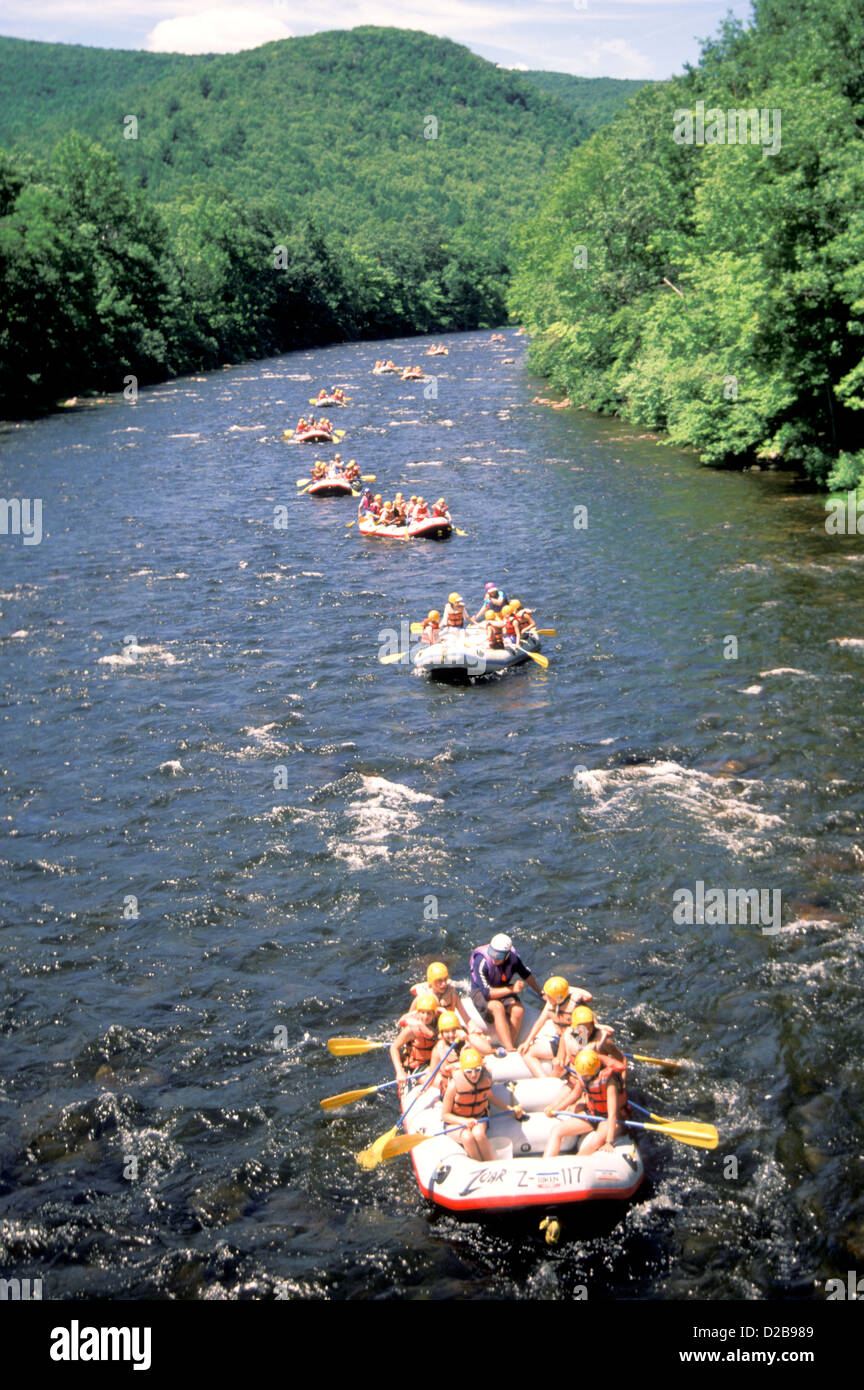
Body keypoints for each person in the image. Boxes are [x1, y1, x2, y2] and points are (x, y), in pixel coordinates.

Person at [543, 1048, 629, 1158]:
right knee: (557, 1131)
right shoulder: (584, 1075)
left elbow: (612, 1113)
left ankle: (573, 1165)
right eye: (582, 1075)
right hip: (593, 1114)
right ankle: (545, 1164)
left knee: (596, 1141)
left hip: (609, 1119)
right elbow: (574, 1095)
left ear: (596, 1070)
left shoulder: (609, 1081)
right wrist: (556, 1110)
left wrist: (609, 1142)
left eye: (586, 1075)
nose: (584, 1078)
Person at [441, 1048, 521, 1162]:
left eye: (477, 1070)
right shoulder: (453, 1086)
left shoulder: (485, 1079)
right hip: (455, 1123)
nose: (474, 1075)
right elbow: (445, 1115)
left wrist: (509, 1109)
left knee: (478, 1134)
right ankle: (478, 1167)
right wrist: (463, 1121)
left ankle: (490, 1164)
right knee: (467, 1137)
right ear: (463, 1070)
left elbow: (490, 1096)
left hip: (478, 1118)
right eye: (469, 1071)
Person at [468, 933, 543, 1051]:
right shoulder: (481, 961)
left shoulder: (513, 958)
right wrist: (512, 989)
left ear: (507, 955)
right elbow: (487, 993)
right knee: (498, 1007)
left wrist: (540, 993)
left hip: (502, 988)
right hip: (480, 993)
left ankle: (509, 1046)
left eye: (499, 956)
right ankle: (510, 1049)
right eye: (492, 954)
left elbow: (526, 975)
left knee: (518, 1010)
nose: (494, 958)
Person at [517, 976, 594, 1078]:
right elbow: (540, 1022)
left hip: (575, 1043)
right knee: (527, 1053)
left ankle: (562, 1077)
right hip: (559, 1042)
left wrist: (566, 989)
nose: (546, 997)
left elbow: (588, 996)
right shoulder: (550, 1005)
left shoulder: (576, 1005)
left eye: (549, 995)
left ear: (558, 997)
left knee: (559, 1064)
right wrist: (527, 1042)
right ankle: (544, 1079)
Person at [389, 994, 440, 1084]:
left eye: (429, 1013)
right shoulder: (412, 1029)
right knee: (439, 1082)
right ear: (418, 1013)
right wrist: (399, 1071)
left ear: (434, 1014)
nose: (425, 1017)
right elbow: (394, 1047)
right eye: (422, 1012)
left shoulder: (438, 1024)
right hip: (418, 1067)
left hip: (433, 1062)